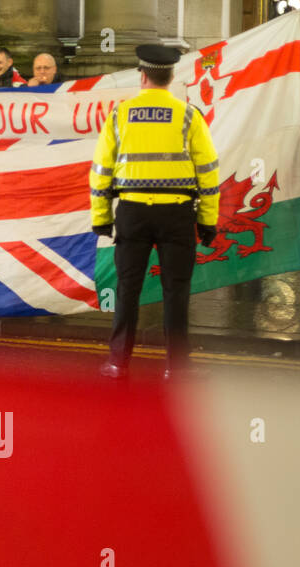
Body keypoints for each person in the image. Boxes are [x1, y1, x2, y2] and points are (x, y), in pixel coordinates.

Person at [90, 45, 219, 379]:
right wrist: (207, 221)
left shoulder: (120, 114)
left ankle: (118, 363)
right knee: (176, 292)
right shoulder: (189, 115)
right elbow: (208, 172)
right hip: (177, 216)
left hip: (132, 213)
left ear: (142, 74)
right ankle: (176, 367)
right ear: (172, 76)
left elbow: (101, 171)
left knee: (127, 290)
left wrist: (101, 217)